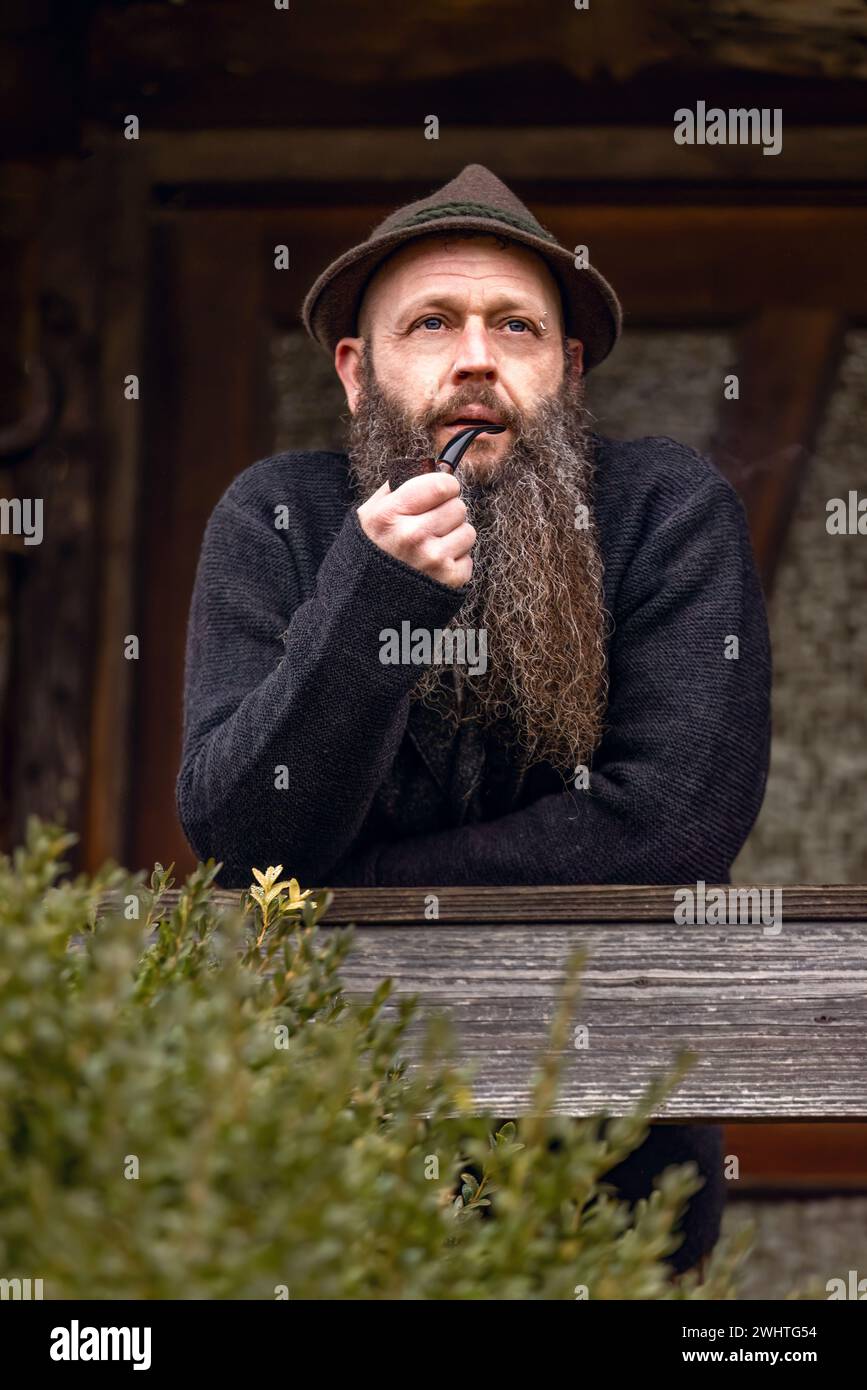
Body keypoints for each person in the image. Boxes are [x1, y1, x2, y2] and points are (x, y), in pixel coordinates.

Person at [176, 164, 772, 1276]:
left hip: (611, 1167)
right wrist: (367, 598)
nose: (478, 359)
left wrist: (353, 890)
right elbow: (242, 833)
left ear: (568, 369)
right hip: (331, 1147)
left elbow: (671, 828)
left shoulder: (663, 511)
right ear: (358, 372)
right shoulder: (275, 518)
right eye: (433, 323)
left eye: (518, 328)